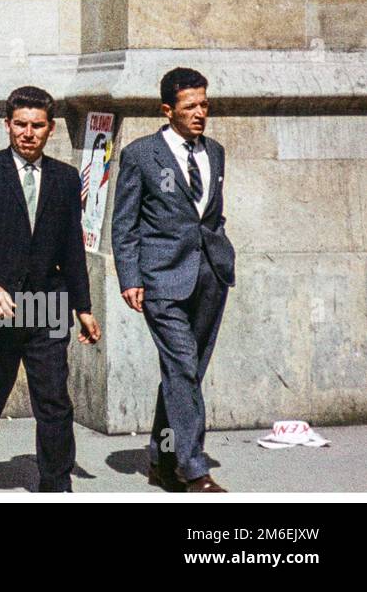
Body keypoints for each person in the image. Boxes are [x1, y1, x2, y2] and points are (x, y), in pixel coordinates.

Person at [0, 86, 101, 493]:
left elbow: (72, 248)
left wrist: (83, 306)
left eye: (37, 125)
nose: (28, 133)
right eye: (20, 125)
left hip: (47, 304)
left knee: (53, 400)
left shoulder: (66, 179)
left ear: (50, 129)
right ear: (7, 125)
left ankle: (56, 481)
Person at [111, 67, 235, 494]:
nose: (200, 113)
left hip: (210, 275)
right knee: (182, 365)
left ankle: (161, 459)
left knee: (186, 373)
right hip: (162, 279)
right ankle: (194, 468)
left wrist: (220, 255)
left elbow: (210, 215)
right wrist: (130, 276)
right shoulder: (142, 154)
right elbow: (124, 223)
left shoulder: (215, 152)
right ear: (168, 110)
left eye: (204, 104)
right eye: (190, 107)